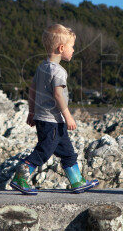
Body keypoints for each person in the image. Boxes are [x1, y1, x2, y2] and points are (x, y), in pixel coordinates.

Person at [9, 24, 99, 195]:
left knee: (68, 152)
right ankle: (20, 178)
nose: (73, 50)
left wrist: (31, 112)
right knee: (43, 152)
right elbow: (59, 95)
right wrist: (68, 116)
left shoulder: (41, 67)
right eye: (72, 47)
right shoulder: (58, 71)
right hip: (53, 122)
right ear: (61, 48)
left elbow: (32, 91)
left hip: (46, 120)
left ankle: (77, 182)